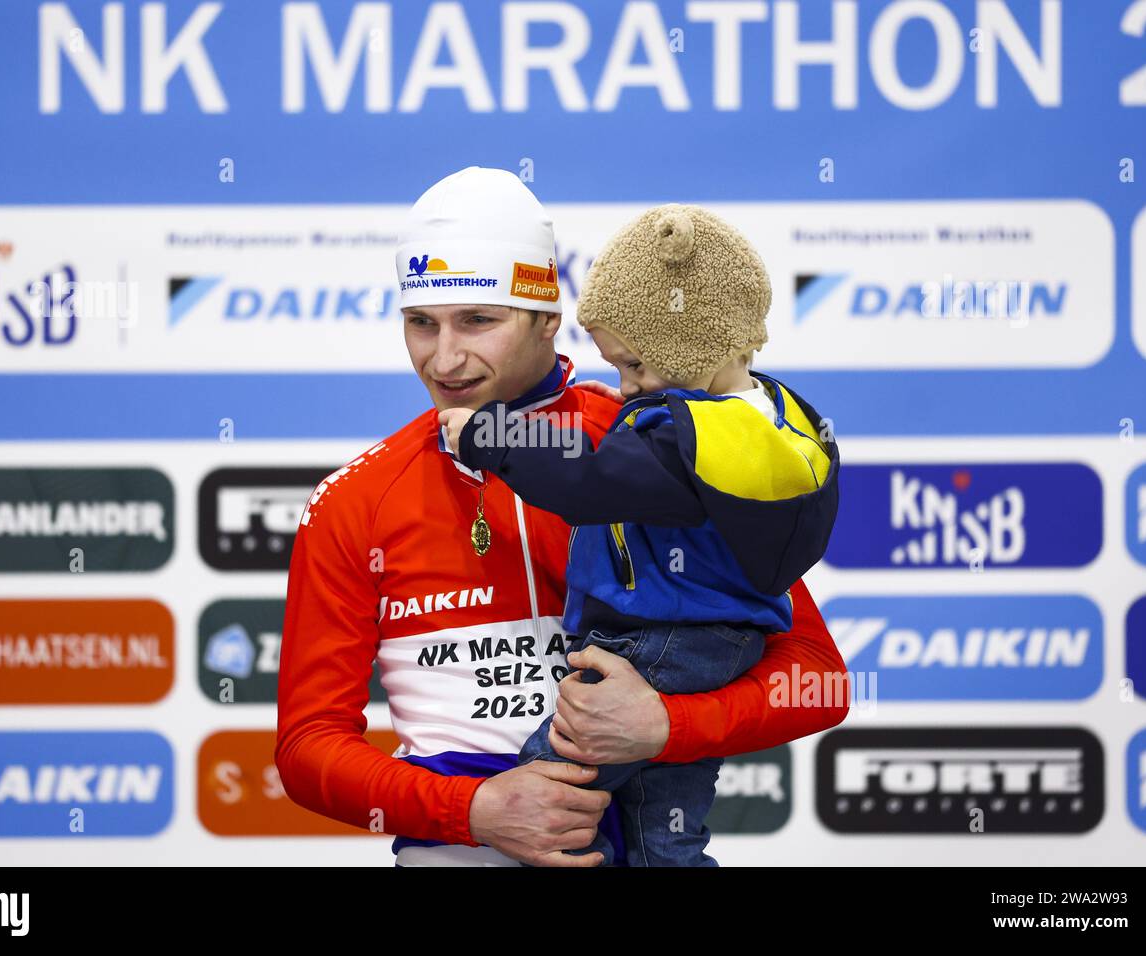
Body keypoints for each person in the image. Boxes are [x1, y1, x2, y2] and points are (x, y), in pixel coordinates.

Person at [275, 166, 850, 867]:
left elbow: (817, 681)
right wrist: (476, 811)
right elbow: (306, 751)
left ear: (549, 318)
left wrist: (665, 726)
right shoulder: (354, 499)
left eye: (478, 320)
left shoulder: (657, 452)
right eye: (421, 324)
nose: (445, 357)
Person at [440, 204, 840, 865]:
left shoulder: (694, 438)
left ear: (690, 348)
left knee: (550, 784)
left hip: (660, 644)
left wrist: (490, 435)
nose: (625, 389)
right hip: (715, 648)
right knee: (666, 832)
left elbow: (586, 479)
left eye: (635, 367)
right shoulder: (774, 421)